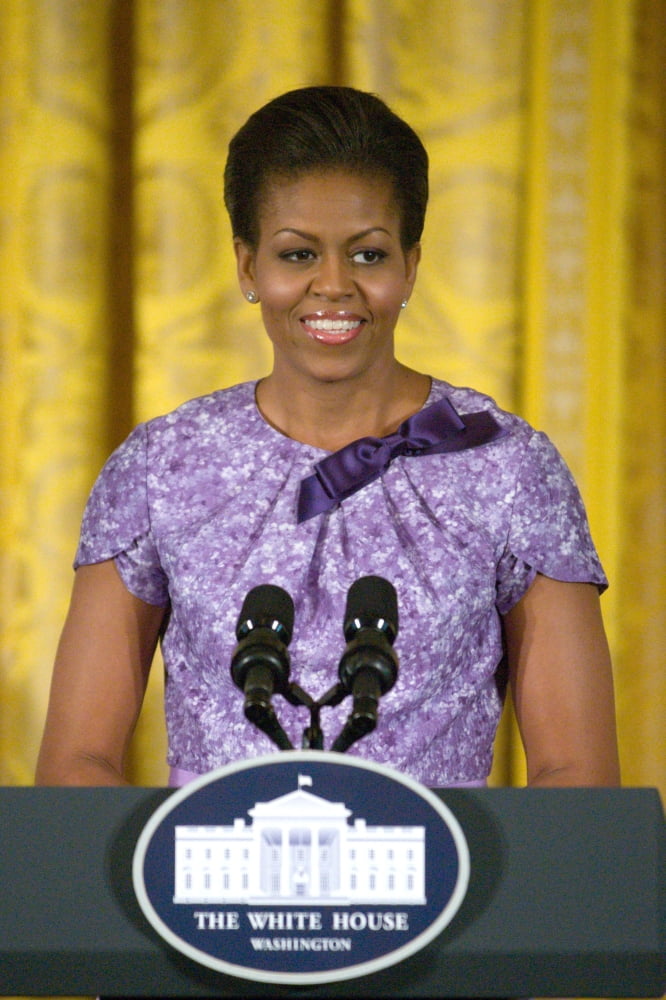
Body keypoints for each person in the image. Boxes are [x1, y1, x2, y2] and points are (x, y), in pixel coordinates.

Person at [35, 86, 620, 790]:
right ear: (248, 267)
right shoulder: (163, 467)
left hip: (448, 890)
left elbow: (576, 777)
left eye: (368, 256)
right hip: (206, 896)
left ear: (411, 266)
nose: (333, 285)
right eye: (298, 255)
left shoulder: (507, 467)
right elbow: (76, 767)